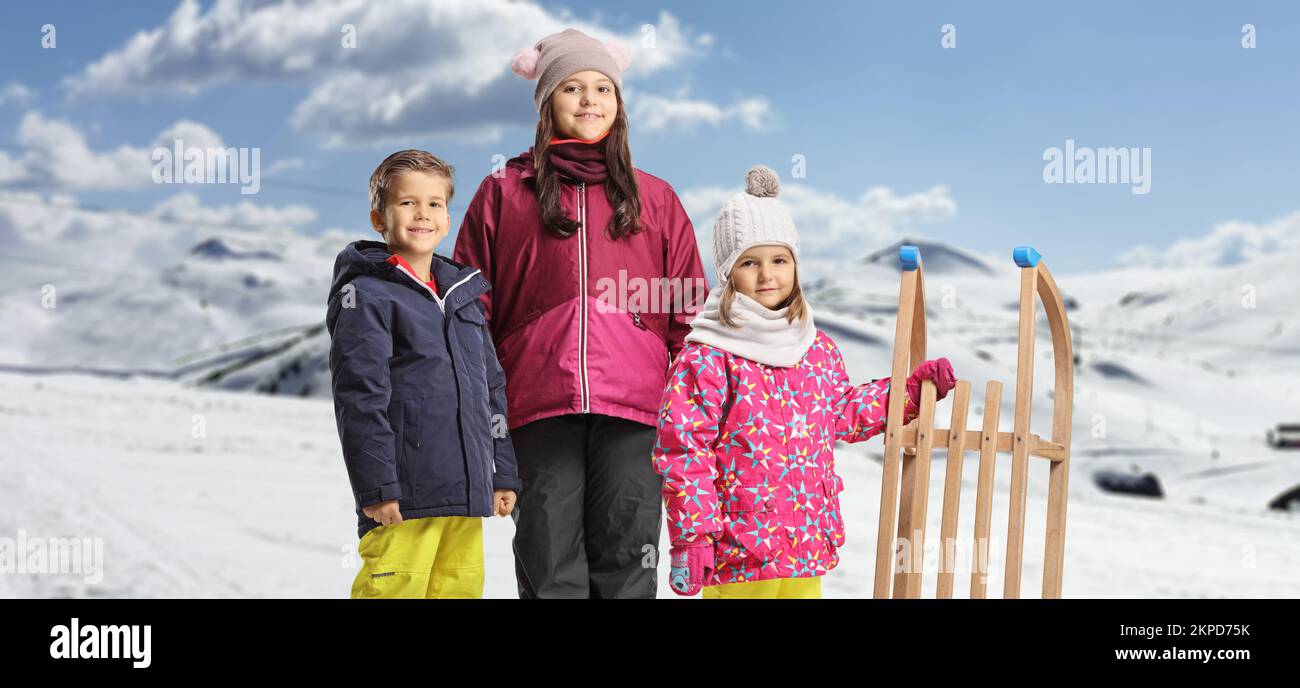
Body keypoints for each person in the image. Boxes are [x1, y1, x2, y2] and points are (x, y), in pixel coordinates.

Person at [453, 28, 707, 598]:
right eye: (572, 87)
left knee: (628, 551)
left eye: (602, 88)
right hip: (537, 402)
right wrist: (482, 401)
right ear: (547, 102)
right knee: (548, 555)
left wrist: (686, 399)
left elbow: (688, 309)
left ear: (619, 104)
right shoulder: (502, 192)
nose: (589, 100)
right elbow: (472, 306)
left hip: (637, 407)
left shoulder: (655, 197)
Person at [653, 165, 957, 599]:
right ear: (727, 273)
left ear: (795, 265)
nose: (766, 275)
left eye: (779, 260)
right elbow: (683, 448)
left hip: (804, 545)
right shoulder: (708, 355)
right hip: (740, 552)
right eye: (749, 263)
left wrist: (905, 392)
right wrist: (693, 536)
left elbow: (843, 413)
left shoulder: (816, 349)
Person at [327, 149, 521, 598]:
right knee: (394, 590)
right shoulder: (366, 296)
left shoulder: (463, 297)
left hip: (466, 492)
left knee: (460, 589)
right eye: (407, 202)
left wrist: (502, 472)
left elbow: (492, 391)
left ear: (448, 219)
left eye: (435, 203)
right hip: (403, 498)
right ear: (379, 216)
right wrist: (377, 487)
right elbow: (360, 398)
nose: (422, 214)